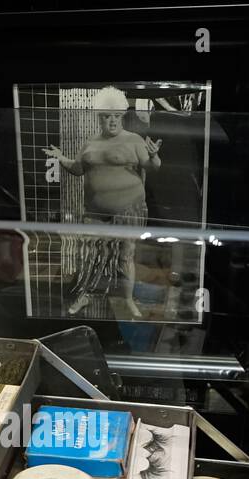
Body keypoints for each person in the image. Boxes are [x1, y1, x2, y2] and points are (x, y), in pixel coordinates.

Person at [43, 86, 162, 317]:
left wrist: (155, 155)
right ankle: (85, 295)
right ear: (100, 118)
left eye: (116, 116)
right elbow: (78, 169)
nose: (112, 121)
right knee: (88, 255)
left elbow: (152, 167)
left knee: (126, 255)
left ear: (122, 116)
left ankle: (128, 300)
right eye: (107, 117)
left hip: (129, 209)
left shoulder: (134, 140)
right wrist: (60, 158)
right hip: (95, 212)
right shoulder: (90, 142)